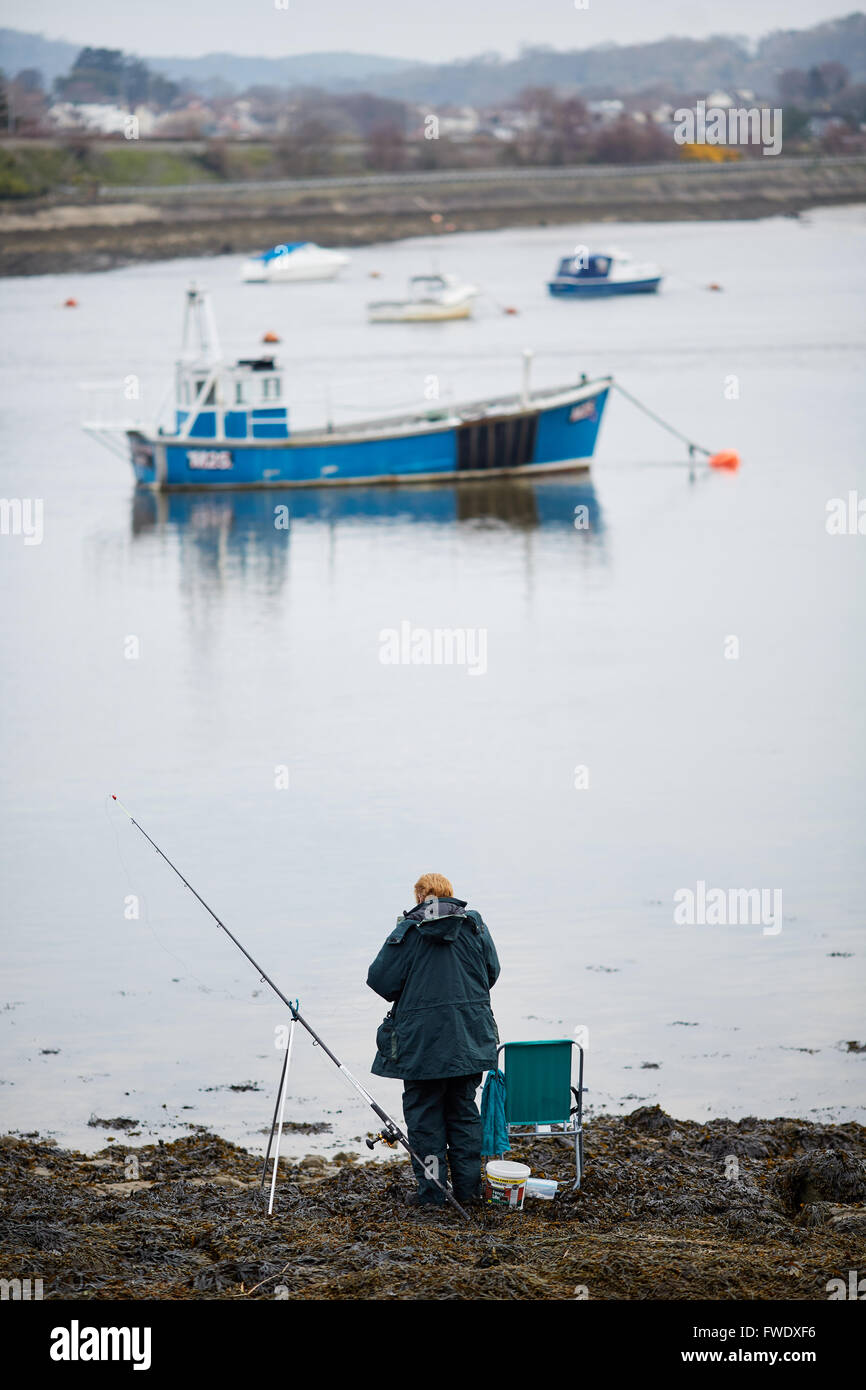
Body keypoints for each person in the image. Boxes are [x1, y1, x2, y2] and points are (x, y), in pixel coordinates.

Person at [366, 872, 500, 1207]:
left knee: (425, 1121)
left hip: (421, 1047)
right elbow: (491, 973)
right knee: (464, 1115)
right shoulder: (474, 927)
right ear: (450, 896)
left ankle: (433, 1195)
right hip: (469, 1040)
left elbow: (381, 982)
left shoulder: (410, 932)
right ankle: (468, 1193)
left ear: (419, 899)